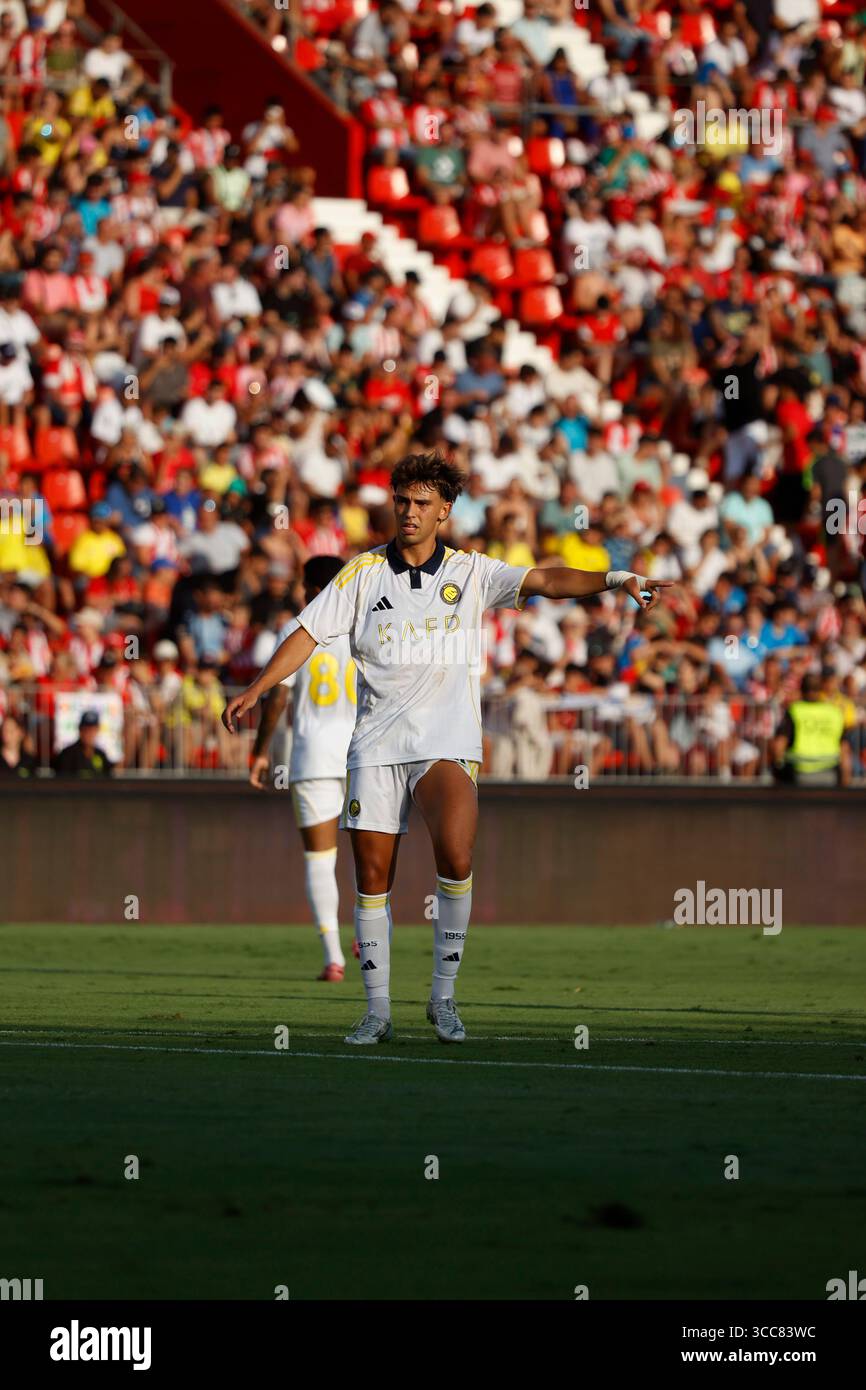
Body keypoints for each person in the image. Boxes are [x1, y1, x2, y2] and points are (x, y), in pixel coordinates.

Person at [224, 452, 673, 1045]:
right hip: (375, 747)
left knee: (457, 857)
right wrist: (256, 689)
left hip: (446, 742)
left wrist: (616, 579)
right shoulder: (360, 574)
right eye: (402, 501)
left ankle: (443, 998)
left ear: (445, 510)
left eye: (422, 503)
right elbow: (305, 633)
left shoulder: (472, 572)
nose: (409, 512)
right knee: (372, 877)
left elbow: (545, 580)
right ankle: (377, 1011)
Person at [249, 555, 359, 981]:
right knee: (370, 850)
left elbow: (278, 695)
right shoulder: (365, 625)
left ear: (312, 587)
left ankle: (333, 957)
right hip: (361, 753)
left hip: (313, 753)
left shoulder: (296, 627)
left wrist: (260, 751)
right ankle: (367, 931)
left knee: (320, 858)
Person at [772, 673, 850, 787]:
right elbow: (845, 750)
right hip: (830, 773)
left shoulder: (794, 711)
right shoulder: (834, 712)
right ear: (821, 689)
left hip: (798, 773)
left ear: (801, 689)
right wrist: (845, 785)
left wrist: (778, 770)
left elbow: (778, 746)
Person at [53, 709, 113, 777]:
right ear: (80, 730)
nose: (89, 733)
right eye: (85, 729)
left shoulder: (101, 755)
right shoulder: (67, 755)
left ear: (97, 730)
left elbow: (109, 778)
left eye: (92, 730)